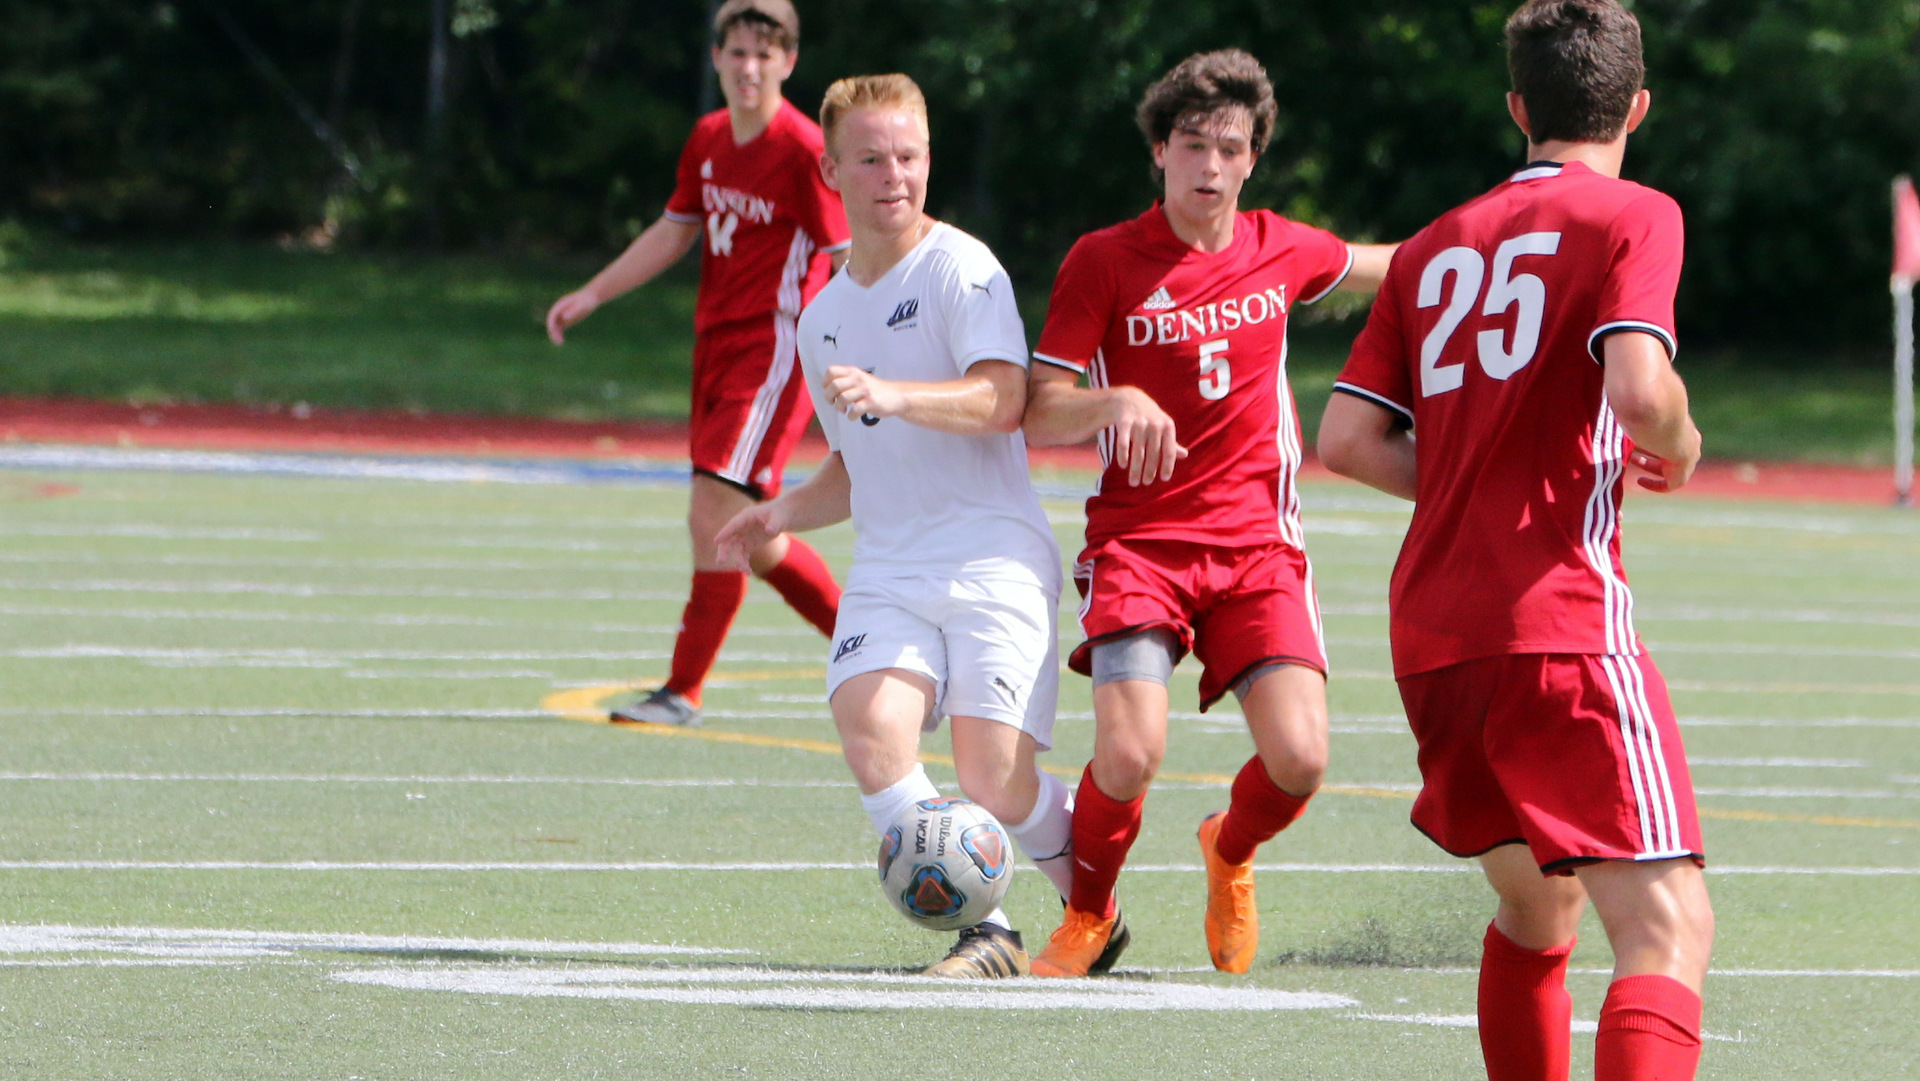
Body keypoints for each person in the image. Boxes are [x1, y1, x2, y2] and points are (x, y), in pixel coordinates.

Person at [1316, 3, 1713, 1079]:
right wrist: (1680, 438)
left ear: (1516, 108)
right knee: (1669, 927)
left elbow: (1346, 439)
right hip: (1557, 621)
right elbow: (1637, 386)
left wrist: (1465, 483)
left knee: (1539, 910)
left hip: (1435, 635)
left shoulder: (1434, 243)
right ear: (1636, 105)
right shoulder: (1635, 213)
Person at [1020, 49, 1396, 978]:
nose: (1211, 165)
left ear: (1253, 158)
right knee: (1130, 751)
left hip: (1258, 548)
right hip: (1140, 546)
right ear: (1159, 150)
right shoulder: (1103, 260)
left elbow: (1391, 267)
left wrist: (1512, 239)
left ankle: (1228, 846)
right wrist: (1112, 404)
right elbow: (1038, 403)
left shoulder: (1284, 247)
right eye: (1193, 144)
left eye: (1231, 147)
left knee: (1302, 757)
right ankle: (1091, 912)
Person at [715, 73, 1076, 978]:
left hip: (992, 555)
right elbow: (854, 461)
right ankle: (988, 927)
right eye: (871, 159)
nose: (894, 175)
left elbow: (1003, 399)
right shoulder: (825, 315)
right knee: (870, 725)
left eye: (908, 156)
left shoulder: (963, 267)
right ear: (832, 169)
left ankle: (1092, 901)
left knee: (995, 780)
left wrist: (895, 393)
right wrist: (785, 508)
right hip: (891, 566)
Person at [546, 0, 847, 726]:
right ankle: (873, 646)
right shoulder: (710, 136)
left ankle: (682, 690)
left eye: (764, 54)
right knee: (754, 532)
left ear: (789, 62)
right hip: (714, 347)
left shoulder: (805, 149)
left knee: (713, 509)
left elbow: (845, 258)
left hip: (774, 351)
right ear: (715, 57)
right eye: (736, 52)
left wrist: (863, 347)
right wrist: (594, 290)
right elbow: (674, 231)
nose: (749, 67)